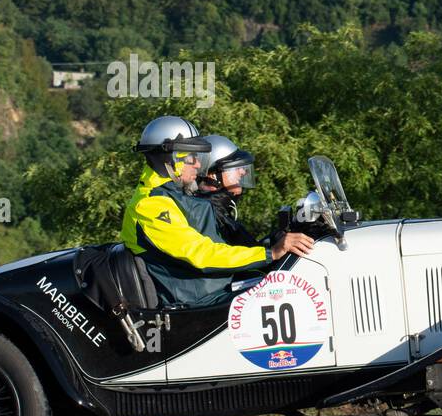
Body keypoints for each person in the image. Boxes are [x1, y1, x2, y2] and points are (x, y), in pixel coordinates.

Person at [120, 116, 313, 308]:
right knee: (288, 295)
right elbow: (201, 254)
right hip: (197, 303)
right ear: (170, 159)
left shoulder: (172, 195)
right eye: (190, 157)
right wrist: (270, 253)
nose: (197, 164)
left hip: (213, 289)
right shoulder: (150, 205)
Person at [196, 134, 262, 248]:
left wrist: (275, 240)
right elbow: (224, 257)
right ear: (212, 175)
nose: (243, 172)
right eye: (235, 167)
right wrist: (271, 254)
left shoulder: (220, 209)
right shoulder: (204, 213)